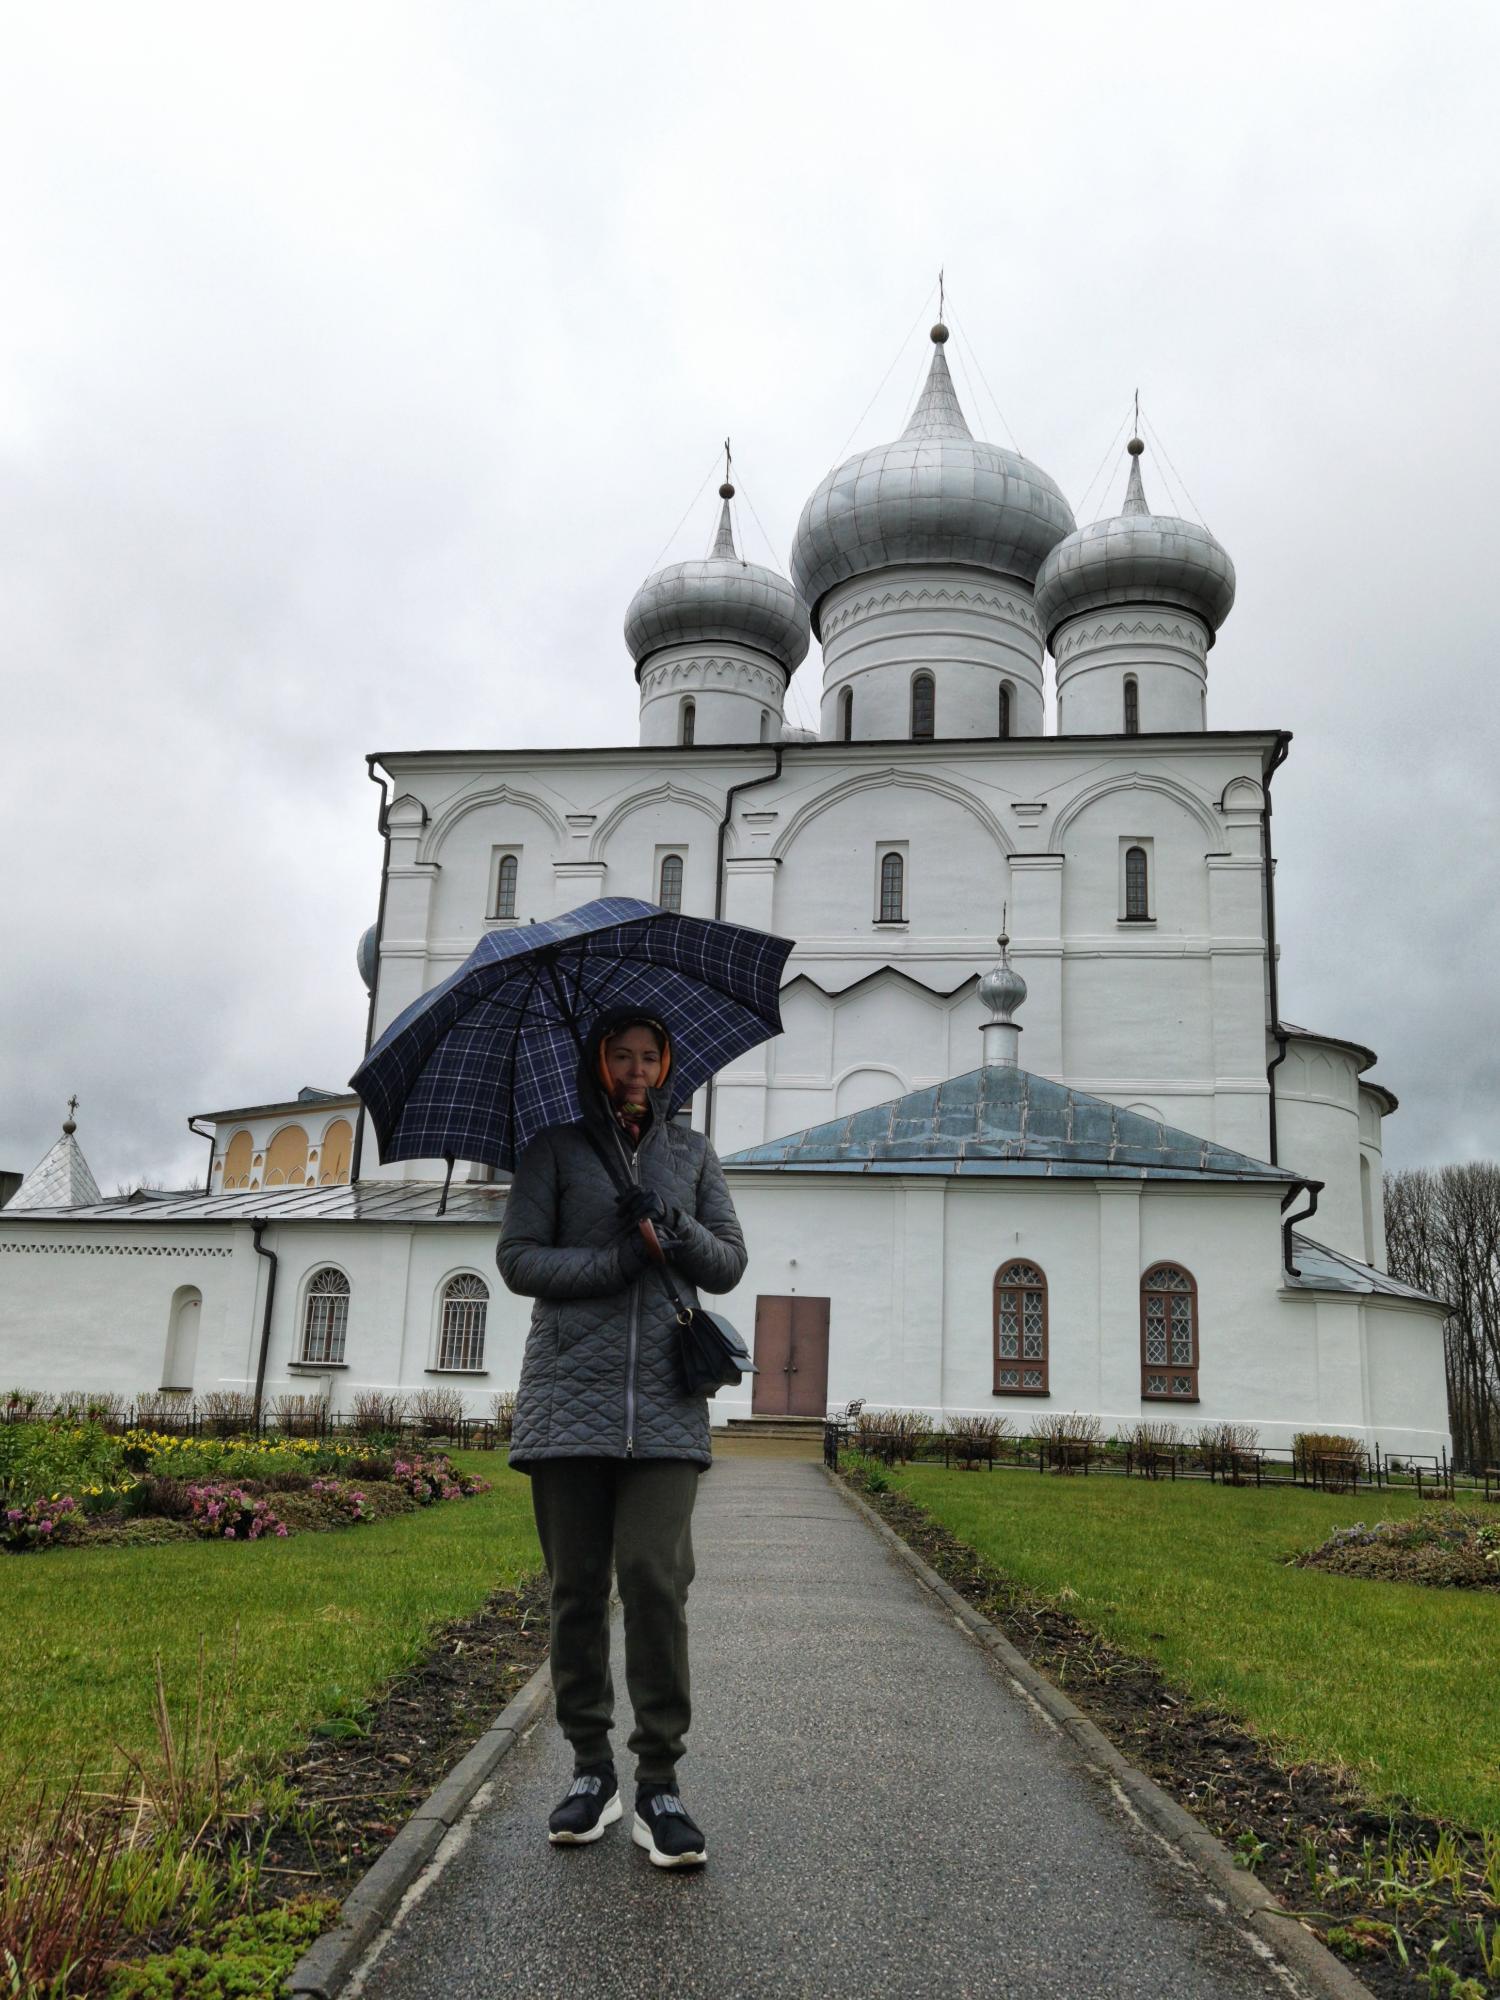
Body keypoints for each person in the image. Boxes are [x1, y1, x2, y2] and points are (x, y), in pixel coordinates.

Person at [496, 1006, 747, 1869]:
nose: (637, 1069)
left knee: (652, 1576)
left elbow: (729, 1261)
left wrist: (670, 1226)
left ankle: (660, 1781)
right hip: (569, 1397)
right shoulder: (555, 1151)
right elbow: (519, 1259)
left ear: (668, 1066)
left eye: (650, 1056)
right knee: (574, 1588)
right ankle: (591, 1770)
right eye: (621, 1056)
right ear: (597, 1063)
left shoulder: (692, 1152)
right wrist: (616, 1259)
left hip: (667, 1406)